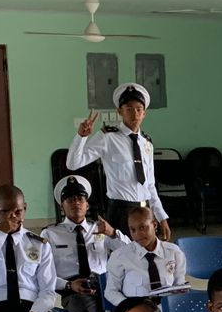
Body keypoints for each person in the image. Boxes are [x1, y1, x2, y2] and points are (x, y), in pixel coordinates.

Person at [66, 83, 170, 239]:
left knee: (144, 256)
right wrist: (81, 137)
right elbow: (73, 164)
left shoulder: (146, 143)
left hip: (144, 210)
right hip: (121, 211)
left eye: (138, 109)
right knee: (121, 256)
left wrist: (161, 217)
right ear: (119, 111)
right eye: (128, 109)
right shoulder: (108, 137)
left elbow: (150, 184)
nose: (134, 114)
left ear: (144, 113)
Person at [42, 175, 118, 312]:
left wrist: (113, 233)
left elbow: (131, 252)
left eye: (80, 199)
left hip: (104, 285)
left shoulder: (100, 229)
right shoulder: (50, 234)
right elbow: (43, 274)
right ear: (61, 206)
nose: (76, 203)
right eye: (70, 200)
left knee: (123, 309)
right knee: (86, 311)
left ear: (87, 205)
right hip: (73, 289)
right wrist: (68, 285)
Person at [102, 205, 186, 306]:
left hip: (168, 310)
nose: (137, 234)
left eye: (142, 228)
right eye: (133, 230)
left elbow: (179, 285)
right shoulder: (120, 257)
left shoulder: (173, 252)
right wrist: (132, 308)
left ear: (154, 225)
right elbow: (111, 292)